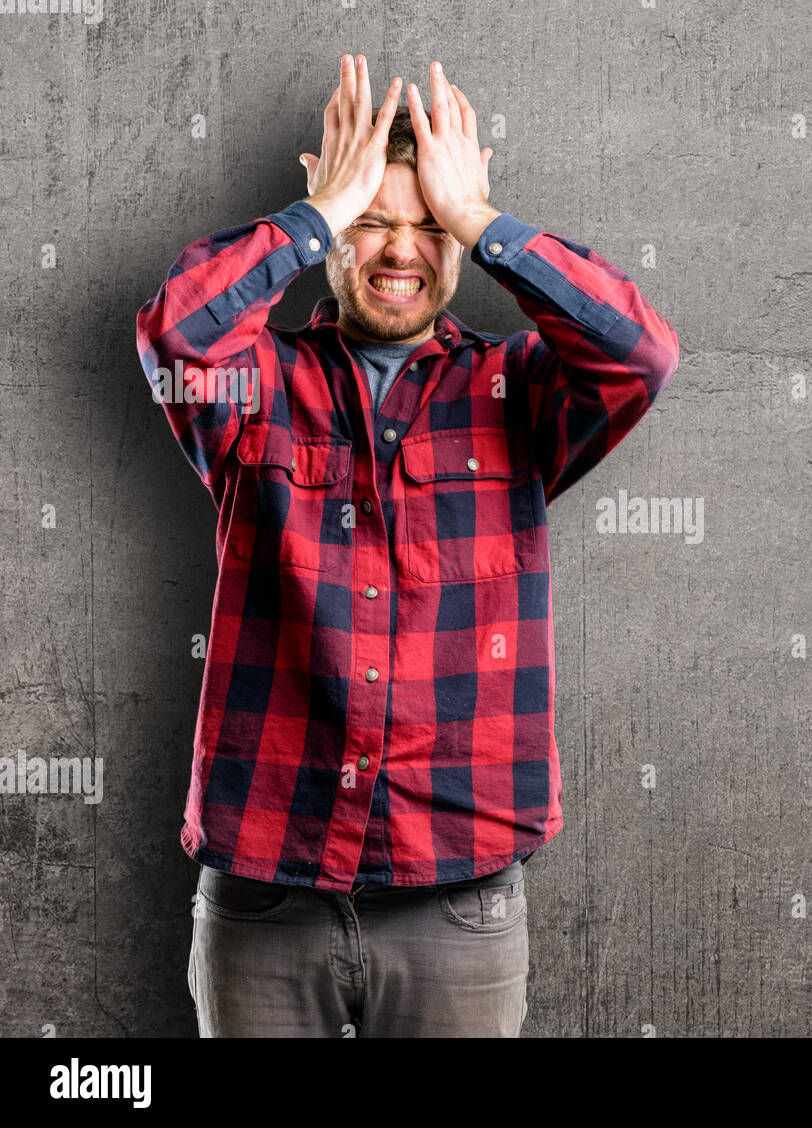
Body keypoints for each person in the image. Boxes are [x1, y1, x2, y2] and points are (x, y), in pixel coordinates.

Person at [135, 54, 679, 1037]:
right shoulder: (255, 387)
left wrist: (482, 218)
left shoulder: (516, 393)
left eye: (428, 228)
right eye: (372, 221)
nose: (400, 251)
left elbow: (639, 354)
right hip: (264, 893)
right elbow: (178, 334)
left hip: (457, 899)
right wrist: (314, 214)